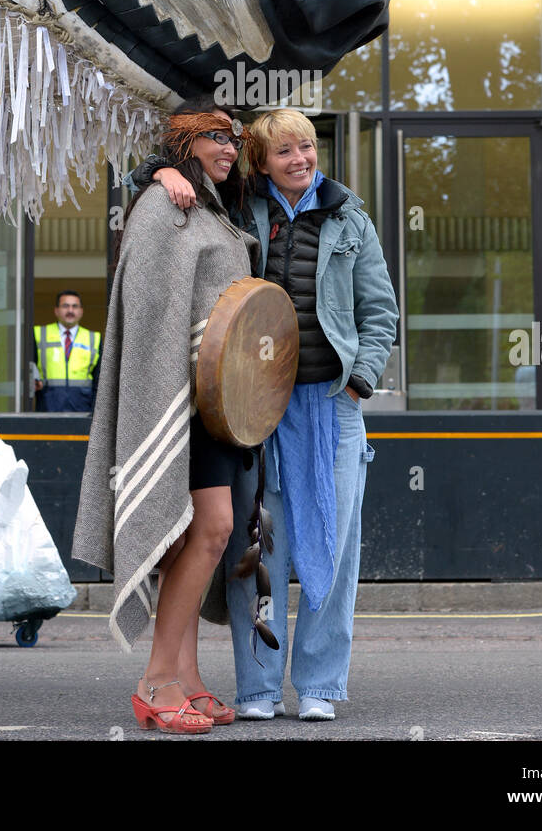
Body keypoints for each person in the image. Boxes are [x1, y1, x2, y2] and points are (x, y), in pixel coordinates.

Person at [130, 108, 399, 721]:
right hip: (256, 406)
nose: (301, 159)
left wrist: (359, 381)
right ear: (261, 161)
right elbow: (167, 170)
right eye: (285, 152)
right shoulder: (238, 205)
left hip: (332, 406)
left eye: (307, 147)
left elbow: (381, 312)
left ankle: (322, 686)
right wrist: (158, 174)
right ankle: (257, 688)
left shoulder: (350, 216)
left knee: (334, 552)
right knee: (257, 550)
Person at [72, 100, 262, 734]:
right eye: (214, 138)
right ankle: (155, 680)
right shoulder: (165, 206)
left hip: (219, 404)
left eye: (233, 139)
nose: (229, 148)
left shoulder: (211, 206)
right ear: (184, 142)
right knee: (211, 528)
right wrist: (156, 171)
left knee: (190, 536)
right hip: (178, 402)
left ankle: (187, 678)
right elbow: (151, 318)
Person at [33, 291, 101, 412]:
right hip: (48, 407)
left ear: (81, 311)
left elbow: (99, 380)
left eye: (75, 306)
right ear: (56, 310)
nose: (70, 310)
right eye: (65, 306)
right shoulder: (39, 333)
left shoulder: (94, 338)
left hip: (83, 409)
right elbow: (29, 367)